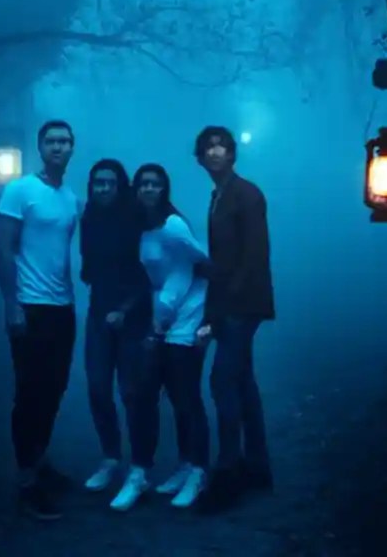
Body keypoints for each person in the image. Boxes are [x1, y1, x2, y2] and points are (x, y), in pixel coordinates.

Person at [110, 164, 213, 511]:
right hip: (162, 313)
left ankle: (197, 470)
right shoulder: (142, 228)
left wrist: (161, 323)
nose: (149, 189)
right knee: (146, 394)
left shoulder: (173, 225)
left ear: (164, 189)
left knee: (186, 396)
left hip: (185, 313)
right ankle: (143, 472)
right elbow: (148, 278)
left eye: (155, 184)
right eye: (143, 184)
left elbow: (188, 269)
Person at [0, 119, 80, 521]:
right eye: (51, 141)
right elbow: (2, 248)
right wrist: (11, 303)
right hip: (30, 304)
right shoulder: (20, 190)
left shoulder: (70, 198)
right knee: (30, 393)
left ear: (72, 148)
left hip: (63, 307)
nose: (58, 147)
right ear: (40, 147)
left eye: (64, 141)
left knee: (55, 389)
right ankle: (26, 481)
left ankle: (39, 460)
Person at [193, 125, 275, 514]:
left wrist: (226, 308)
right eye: (208, 147)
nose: (214, 152)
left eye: (221, 146)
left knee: (222, 380)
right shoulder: (218, 196)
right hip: (229, 302)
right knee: (242, 382)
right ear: (200, 157)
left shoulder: (247, 194)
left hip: (243, 304)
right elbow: (223, 259)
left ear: (231, 153)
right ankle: (257, 467)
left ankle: (228, 472)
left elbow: (254, 255)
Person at [77, 159, 152, 493]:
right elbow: (88, 267)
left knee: (132, 392)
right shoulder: (90, 217)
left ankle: (139, 467)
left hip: (133, 316)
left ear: (121, 186)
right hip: (99, 312)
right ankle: (110, 457)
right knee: (97, 387)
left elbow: (149, 271)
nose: (104, 188)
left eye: (110, 182)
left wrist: (125, 308)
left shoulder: (137, 217)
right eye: (98, 182)